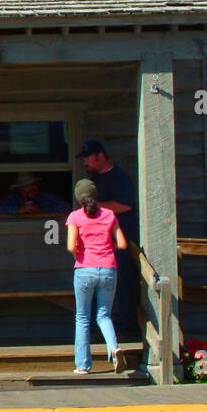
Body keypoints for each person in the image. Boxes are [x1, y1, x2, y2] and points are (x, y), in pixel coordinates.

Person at [77, 140, 140, 339]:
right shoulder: (95, 179)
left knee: (124, 283)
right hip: (100, 243)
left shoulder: (118, 177)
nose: (85, 162)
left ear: (100, 156)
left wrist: (96, 207)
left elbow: (125, 205)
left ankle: (126, 328)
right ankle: (101, 330)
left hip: (120, 240)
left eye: (87, 157)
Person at [66, 179, 129, 375]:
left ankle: (83, 365)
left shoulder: (76, 216)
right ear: (95, 195)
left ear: (79, 198)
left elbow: (70, 246)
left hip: (85, 269)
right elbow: (122, 244)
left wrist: (81, 254)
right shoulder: (109, 215)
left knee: (82, 318)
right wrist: (107, 247)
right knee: (104, 315)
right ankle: (114, 348)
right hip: (109, 269)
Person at [0, 172, 71, 216]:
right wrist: (18, 210)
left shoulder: (44, 196)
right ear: (20, 188)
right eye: (26, 186)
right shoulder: (12, 198)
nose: (31, 188)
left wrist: (41, 211)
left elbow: (66, 207)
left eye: (33, 185)